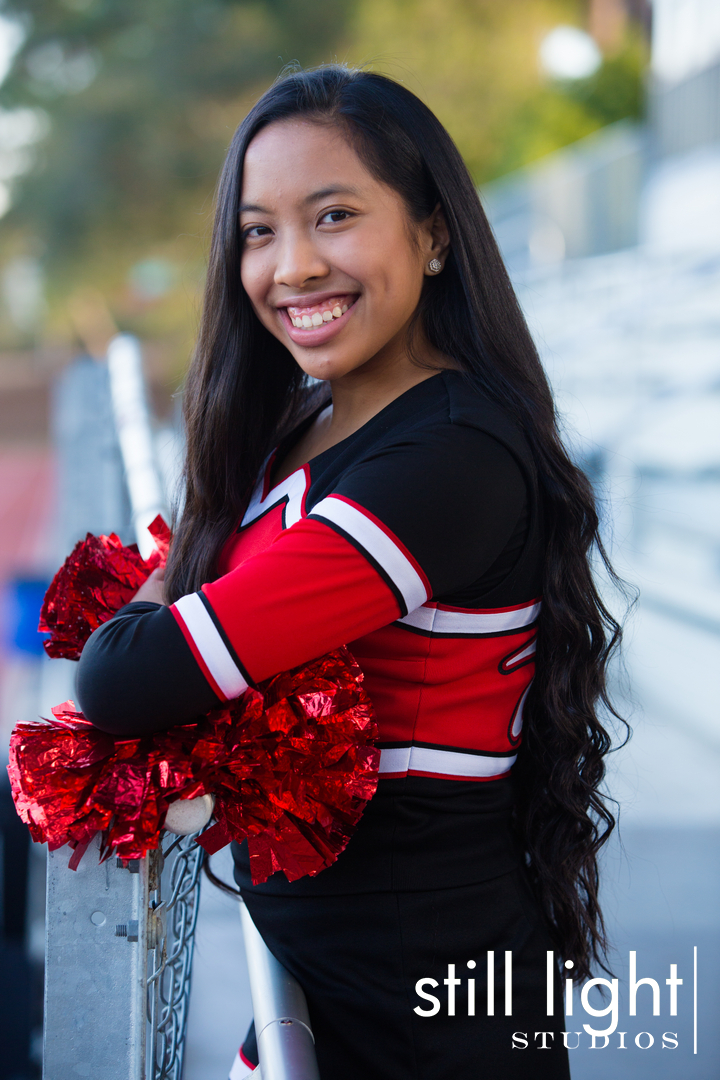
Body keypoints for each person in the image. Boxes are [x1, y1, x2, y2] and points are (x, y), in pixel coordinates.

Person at [76, 66, 625, 1079]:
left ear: (433, 232)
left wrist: (162, 596)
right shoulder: (305, 419)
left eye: (334, 216)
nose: (292, 267)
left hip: (425, 1021)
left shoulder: (448, 459)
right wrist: (172, 596)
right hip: (319, 996)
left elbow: (124, 677)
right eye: (258, 231)